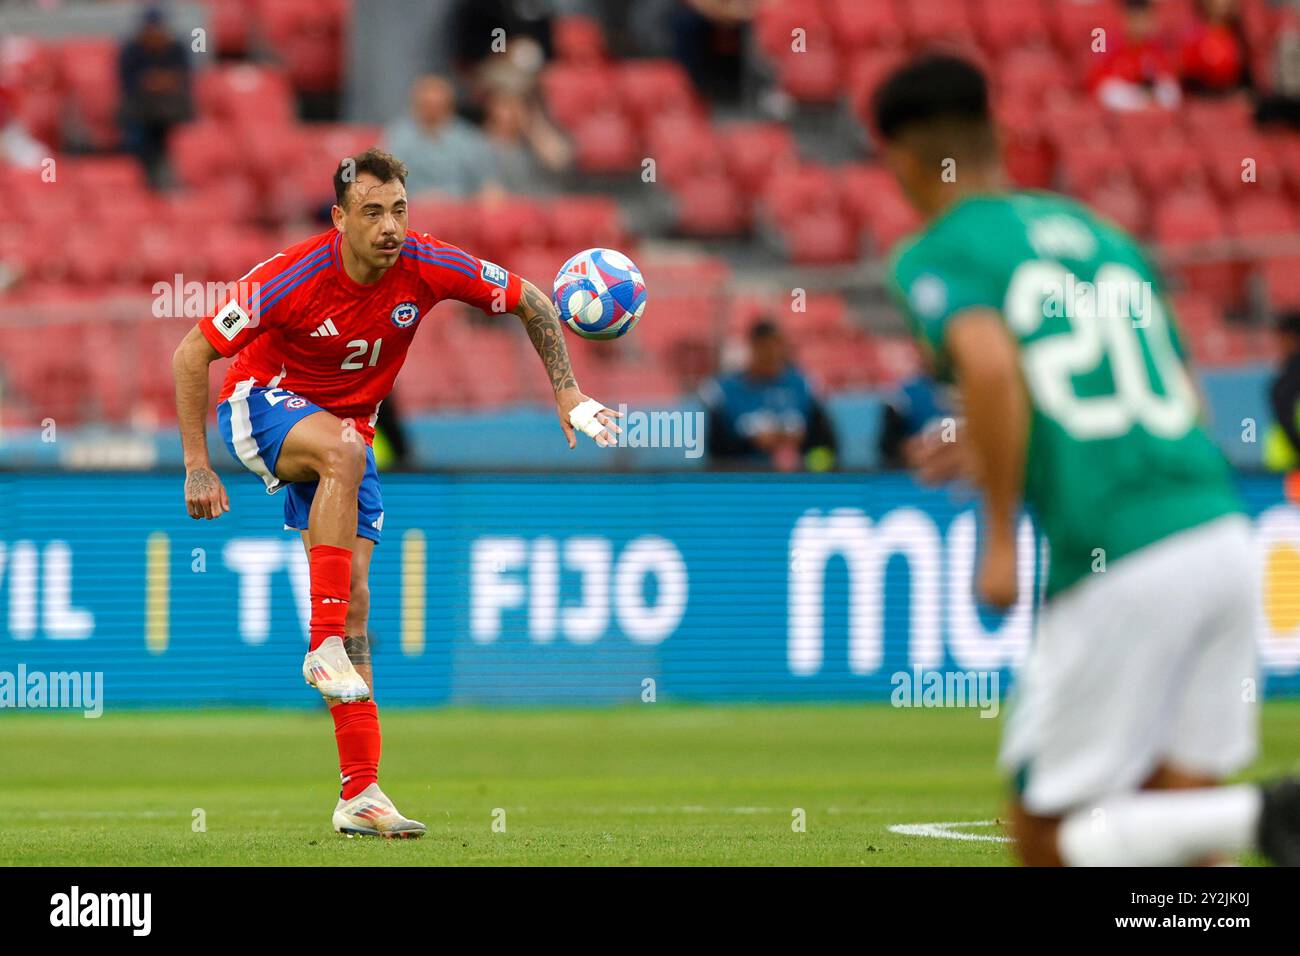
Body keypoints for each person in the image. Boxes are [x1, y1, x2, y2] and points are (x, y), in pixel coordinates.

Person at [874, 53, 1300, 866]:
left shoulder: (942, 249)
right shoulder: (1101, 239)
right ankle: (1234, 823)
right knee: (1176, 817)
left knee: (1048, 832)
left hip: (1120, 553)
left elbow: (993, 368)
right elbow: (1184, 397)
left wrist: (999, 537)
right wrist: (1010, 434)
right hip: (1216, 530)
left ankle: (1255, 818)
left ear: (897, 157)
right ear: (997, 135)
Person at [170, 148, 620, 838]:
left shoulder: (429, 264)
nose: (390, 225)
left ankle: (361, 793)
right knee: (347, 457)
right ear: (340, 218)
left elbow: (532, 299)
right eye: (373, 211)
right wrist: (198, 466)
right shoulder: (289, 278)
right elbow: (191, 353)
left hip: (347, 431)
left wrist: (567, 390)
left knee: (357, 604)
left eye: (400, 210)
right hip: (261, 405)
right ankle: (320, 648)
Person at [700, 319, 837, 471]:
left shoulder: (803, 387)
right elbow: (714, 451)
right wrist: (750, 442)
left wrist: (802, 445)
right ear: (752, 347)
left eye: (777, 346)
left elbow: (828, 448)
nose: (772, 353)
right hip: (743, 483)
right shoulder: (724, 392)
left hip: (795, 484)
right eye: (765, 347)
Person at [383, 75, 501, 199]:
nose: (432, 111)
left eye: (438, 105)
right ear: (415, 106)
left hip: (462, 210)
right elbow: (386, 182)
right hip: (412, 209)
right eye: (427, 105)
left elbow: (487, 183)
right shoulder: (398, 136)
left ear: (449, 106)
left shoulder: (469, 139)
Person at [118, 6, 193, 187]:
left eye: (158, 27)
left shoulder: (176, 48)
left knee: (181, 132)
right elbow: (128, 83)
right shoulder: (131, 50)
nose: (155, 32)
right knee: (137, 136)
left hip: (171, 110)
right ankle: (142, 177)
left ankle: (173, 175)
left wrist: (160, 82)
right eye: (151, 28)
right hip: (141, 109)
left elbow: (183, 79)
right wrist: (152, 83)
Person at [1086, 0, 1182, 111]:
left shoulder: (1158, 50)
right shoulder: (1108, 45)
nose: (1140, 24)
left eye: (1145, 18)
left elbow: (1171, 90)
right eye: (1136, 18)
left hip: (1152, 111)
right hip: (1118, 113)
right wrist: (1137, 94)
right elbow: (1101, 89)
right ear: (1126, 18)